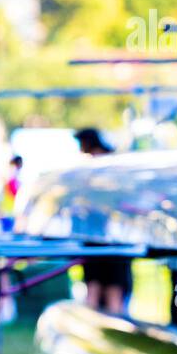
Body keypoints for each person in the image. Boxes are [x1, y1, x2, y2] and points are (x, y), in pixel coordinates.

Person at [74, 127, 132, 314]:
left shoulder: (102, 169)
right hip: (106, 238)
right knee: (101, 288)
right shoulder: (115, 166)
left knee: (104, 289)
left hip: (108, 237)